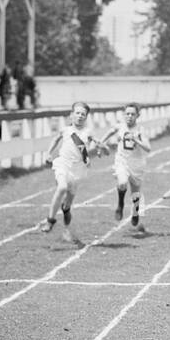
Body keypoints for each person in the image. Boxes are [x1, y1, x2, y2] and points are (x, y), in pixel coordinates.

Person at [42, 101, 104, 243]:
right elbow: (55, 139)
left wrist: (99, 149)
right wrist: (48, 153)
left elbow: (97, 144)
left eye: (83, 114)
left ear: (86, 117)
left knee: (67, 204)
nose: (80, 116)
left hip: (78, 170)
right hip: (62, 164)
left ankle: (66, 215)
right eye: (77, 113)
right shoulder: (65, 130)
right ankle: (50, 220)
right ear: (71, 115)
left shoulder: (88, 132)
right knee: (62, 187)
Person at [103, 103, 151, 230]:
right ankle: (120, 204)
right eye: (127, 114)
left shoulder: (140, 130)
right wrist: (101, 143)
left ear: (138, 115)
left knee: (135, 192)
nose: (130, 116)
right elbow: (110, 132)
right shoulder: (120, 126)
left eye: (132, 114)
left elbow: (148, 148)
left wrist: (137, 140)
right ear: (124, 115)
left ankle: (135, 213)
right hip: (122, 160)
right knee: (122, 182)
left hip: (137, 163)